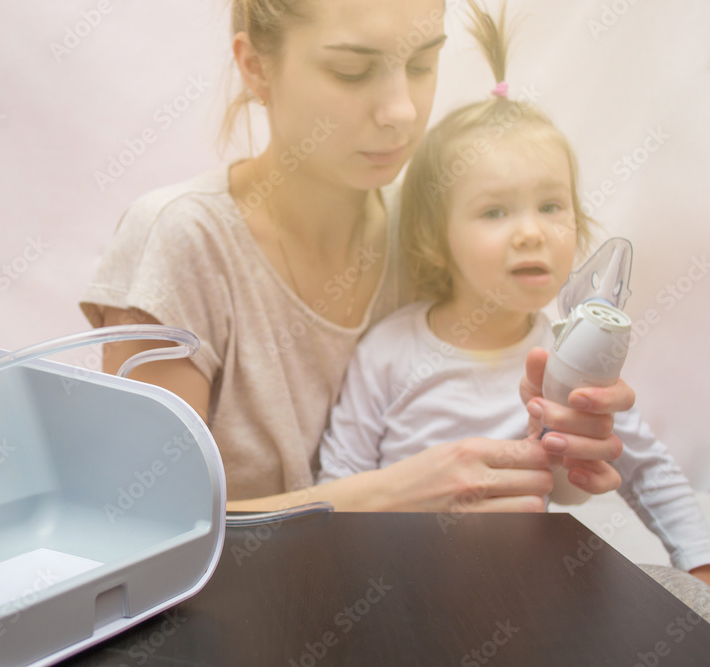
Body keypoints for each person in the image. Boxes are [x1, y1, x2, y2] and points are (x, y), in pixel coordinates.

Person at [80, 0, 632, 512]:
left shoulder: (435, 233)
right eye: (352, 70)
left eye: (421, 65)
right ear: (255, 66)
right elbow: (144, 527)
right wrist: (391, 497)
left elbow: (522, 454)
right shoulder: (179, 241)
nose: (400, 111)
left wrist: (568, 440)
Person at [316, 2, 710, 586]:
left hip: (522, 593)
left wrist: (698, 563)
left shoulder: (570, 369)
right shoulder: (388, 351)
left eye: (552, 206)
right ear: (434, 236)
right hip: (395, 588)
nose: (531, 231)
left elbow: (651, 471)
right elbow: (338, 490)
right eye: (495, 210)